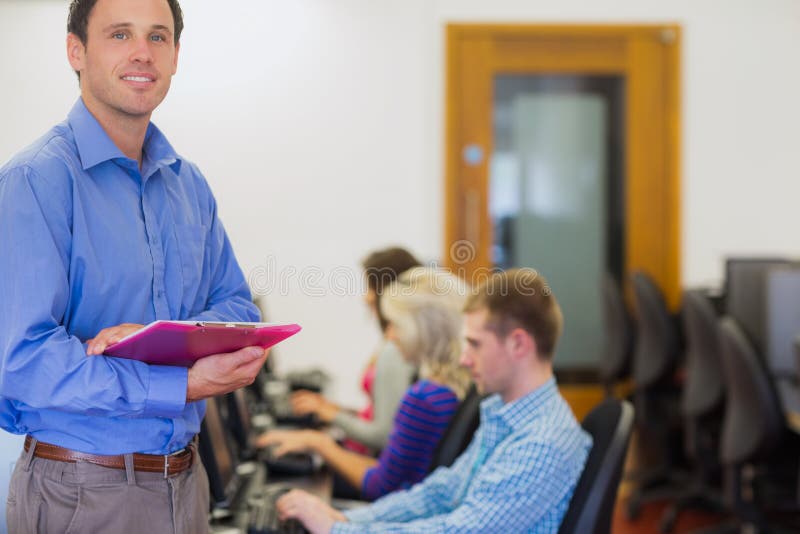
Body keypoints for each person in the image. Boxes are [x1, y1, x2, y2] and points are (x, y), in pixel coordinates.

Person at [0, 1, 268, 532]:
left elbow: (237, 305)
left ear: (175, 56)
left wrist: (156, 338)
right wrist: (180, 384)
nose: (143, 53)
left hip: (188, 484)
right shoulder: (36, 182)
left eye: (158, 37)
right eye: (120, 35)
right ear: (76, 51)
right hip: (80, 492)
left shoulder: (188, 184)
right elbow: (23, 360)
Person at [274, 268, 593, 533]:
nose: (464, 360)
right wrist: (350, 520)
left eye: (475, 345)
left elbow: (460, 531)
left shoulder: (541, 442)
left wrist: (338, 529)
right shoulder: (505, 414)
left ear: (518, 345)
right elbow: (442, 492)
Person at [259, 267, 472, 501]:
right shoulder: (457, 385)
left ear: (422, 330)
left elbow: (381, 485)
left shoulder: (425, 397)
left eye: (395, 325)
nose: (390, 336)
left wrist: (318, 443)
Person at [290, 247, 419, 454]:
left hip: (370, 462)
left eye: (369, 287)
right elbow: (381, 417)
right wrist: (331, 409)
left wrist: (333, 416)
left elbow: (383, 435)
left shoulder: (395, 349)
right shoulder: (392, 342)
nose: (365, 297)